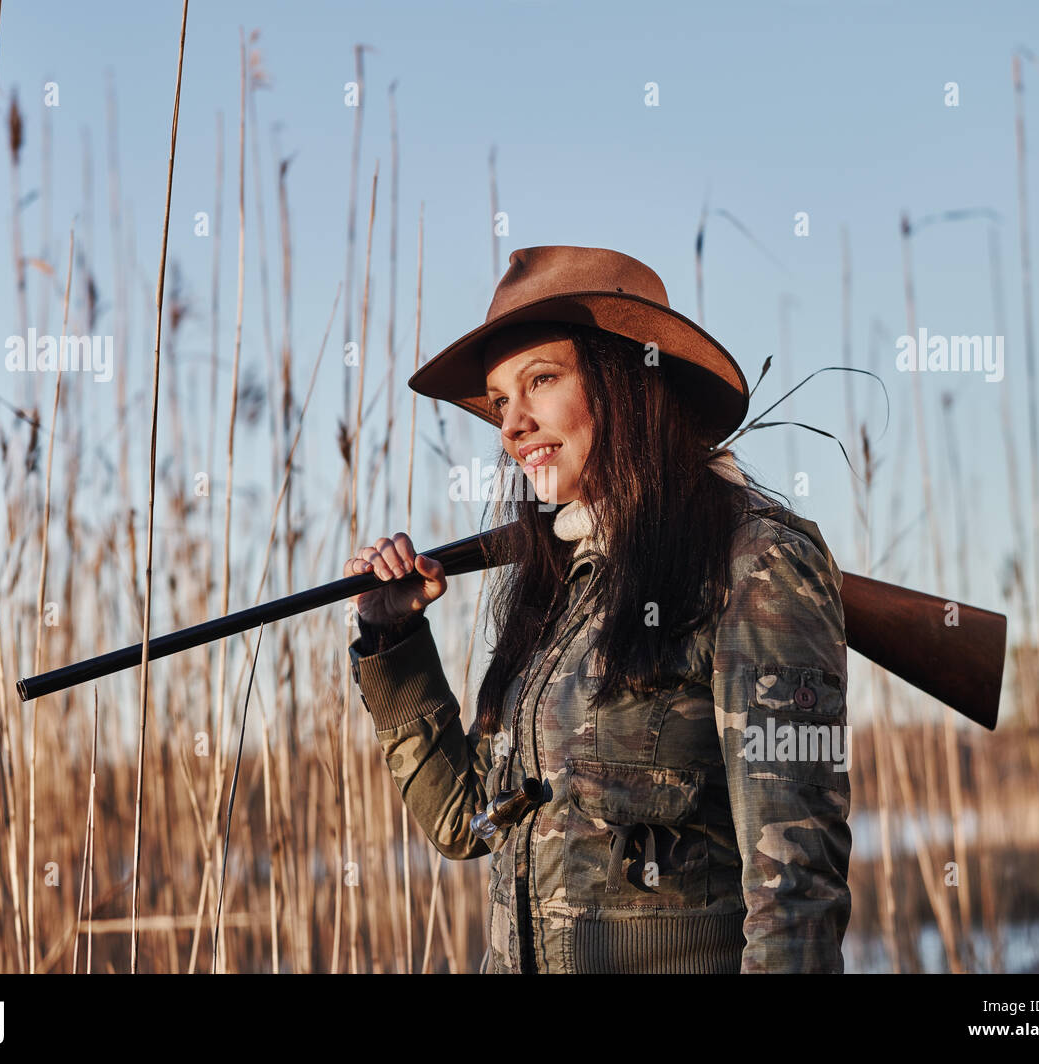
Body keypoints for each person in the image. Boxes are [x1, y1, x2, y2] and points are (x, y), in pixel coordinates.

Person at [344, 246, 851, 974]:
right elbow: (467, 825)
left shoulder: (754, 565)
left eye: (541, 380)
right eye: (498, 402)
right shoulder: (562, 584)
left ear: (626, 382)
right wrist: (392, 637)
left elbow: (796, 889)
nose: (512, 424)